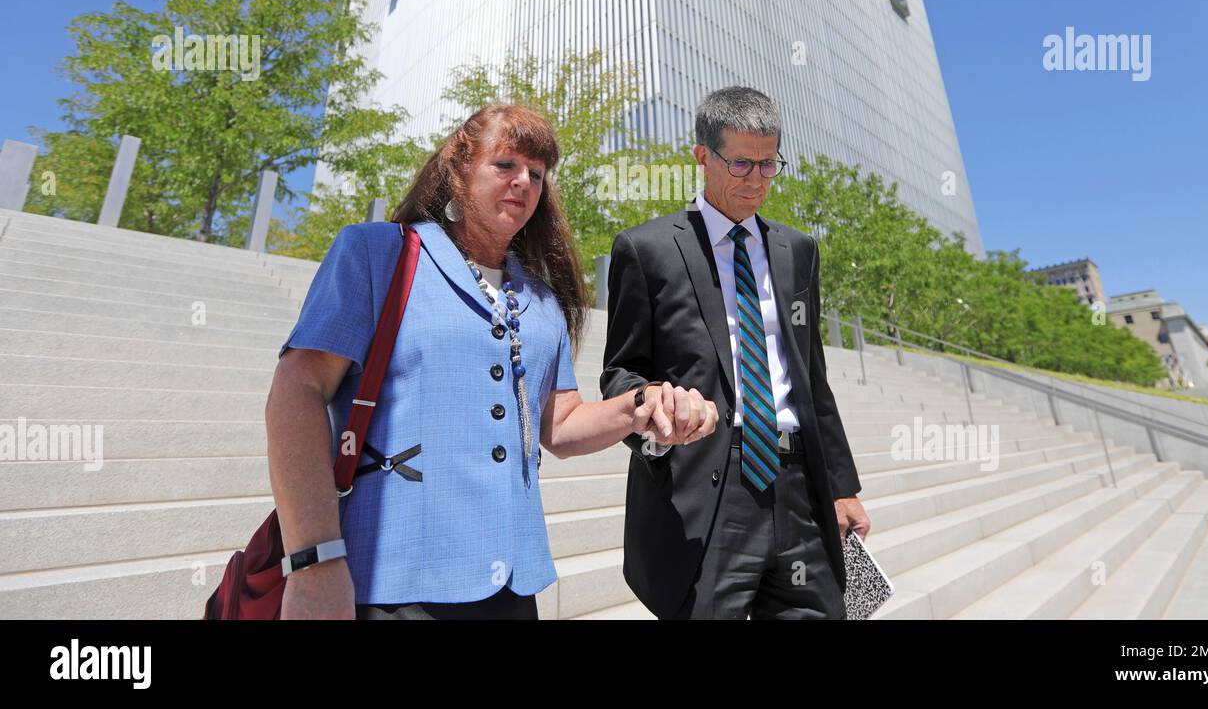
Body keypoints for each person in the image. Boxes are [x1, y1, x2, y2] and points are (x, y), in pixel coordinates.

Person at [266, 103, 718, 619]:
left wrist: (643, 402)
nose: (523, 181)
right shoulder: (377, 253)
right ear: (458, 171)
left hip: (512, 585)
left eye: (537, 173)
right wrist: (314, 560)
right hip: (387, 581)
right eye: (505, 164)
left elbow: (562, 425)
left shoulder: (543, 300)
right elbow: (297, 391)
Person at [601, 85, 870, 619]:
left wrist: (842, 487)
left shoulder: (798, 251)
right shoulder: (646, 249)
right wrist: (653, 408)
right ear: (703, 156)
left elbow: (812, 380)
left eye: (769, 165)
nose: (757, 181)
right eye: (742, 164)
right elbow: (621, 373)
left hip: (799, 487)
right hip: (707, 484)